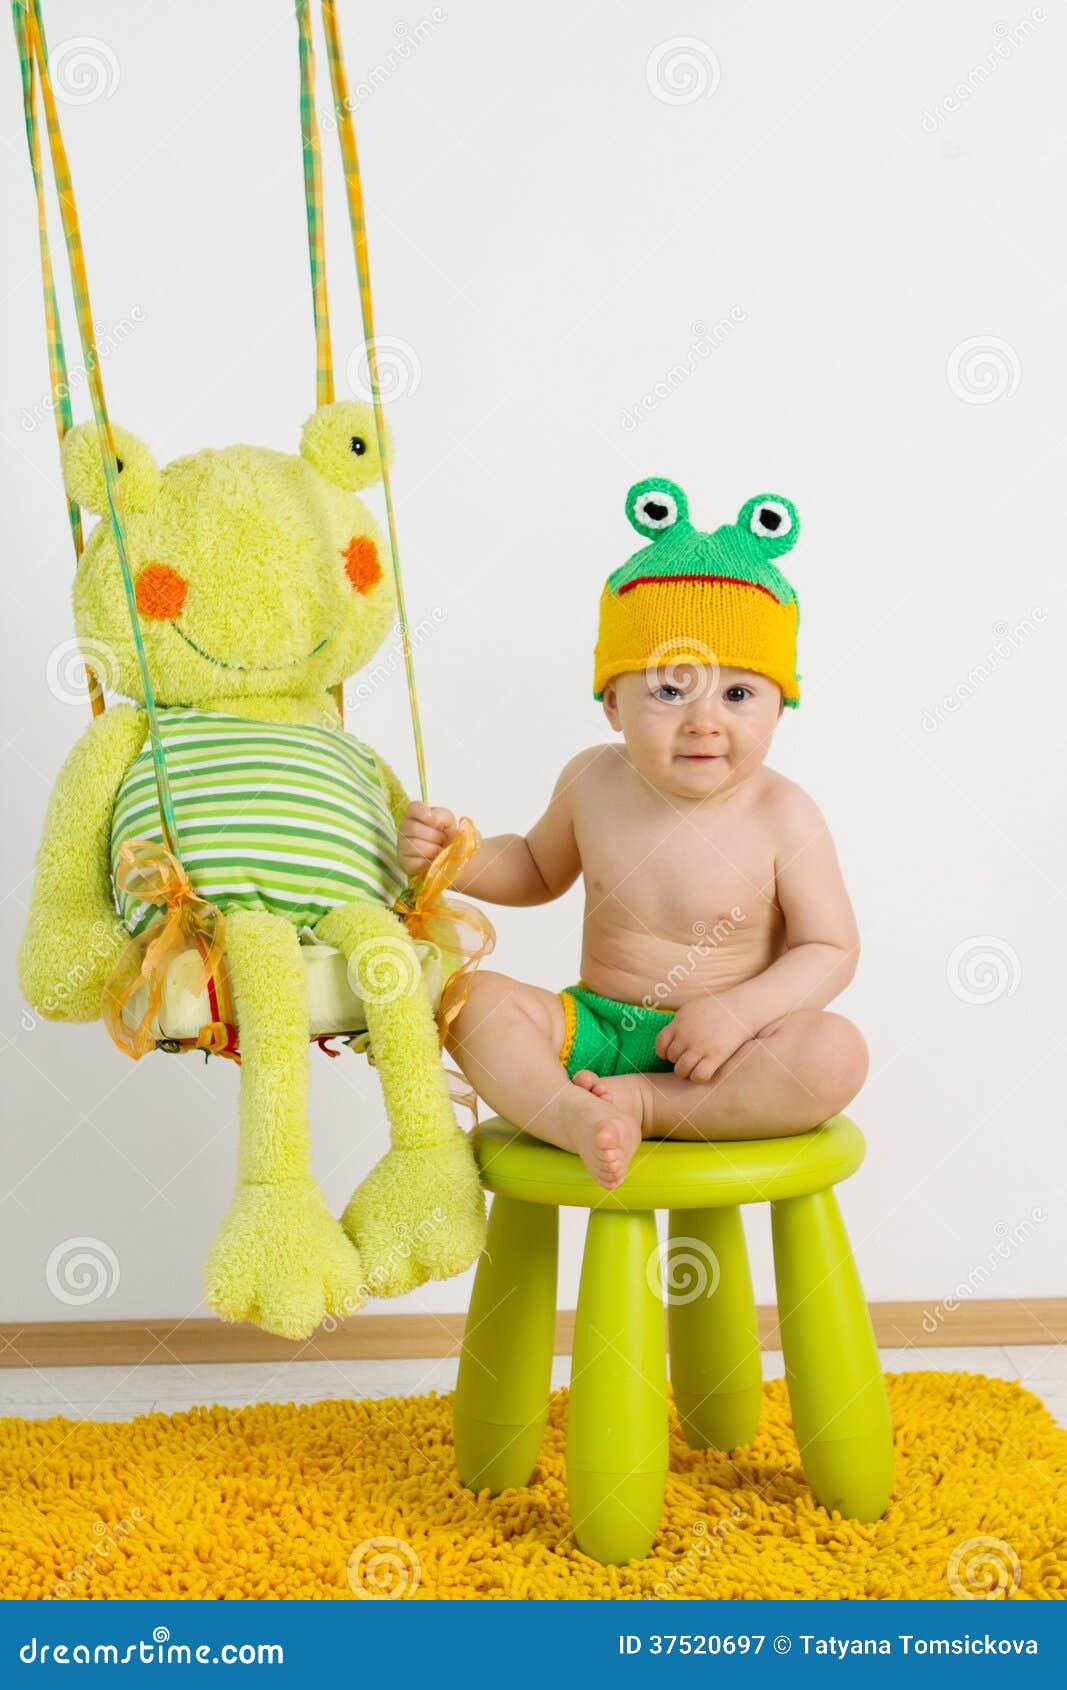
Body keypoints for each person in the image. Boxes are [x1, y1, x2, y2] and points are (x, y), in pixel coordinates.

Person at [399, 477, 869, 1191]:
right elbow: (532, 869)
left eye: (737, 694)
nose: (704, 721)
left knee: (834, 1053)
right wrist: (456, 858)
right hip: (590, 1027)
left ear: (781, 706)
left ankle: (651, 1105)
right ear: (613, 703)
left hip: (728, 1052)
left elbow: (829, 948)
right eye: (669, 690)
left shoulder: (784, 814)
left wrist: (739, 1012)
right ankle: (567, 1112)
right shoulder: (592, 780)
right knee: (472, 1002)